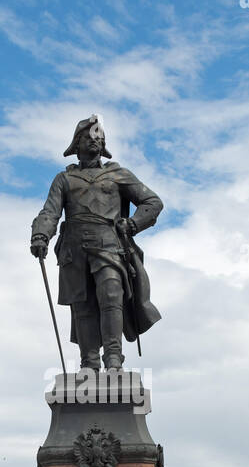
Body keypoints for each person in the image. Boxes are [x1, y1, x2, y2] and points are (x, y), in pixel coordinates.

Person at [30, 115, 163, 371]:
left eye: (99, 136)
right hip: (74, 250)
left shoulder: (117, 174)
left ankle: (114, 359)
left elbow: (152, 202)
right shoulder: (64, 180)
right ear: (77, 144)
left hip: (109, 245)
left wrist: (134, 223)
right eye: (88, 137)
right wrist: (41, 235)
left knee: (111, 293)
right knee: (83, 304)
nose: (95, 140)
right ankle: (88, 363)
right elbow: (50, 212)